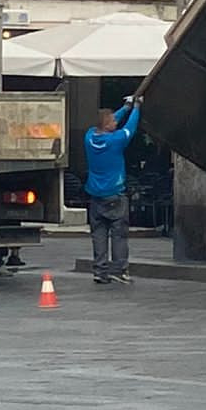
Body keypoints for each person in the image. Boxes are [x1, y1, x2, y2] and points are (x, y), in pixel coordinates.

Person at [84, 96, 140, 286]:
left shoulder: (89, 136)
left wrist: (124, 107)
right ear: (107, 126)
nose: (116, 122)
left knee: (98, 234)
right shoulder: (115, 141)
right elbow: (130, 129)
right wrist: (136, 108)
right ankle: (119, 270)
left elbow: (108, 120)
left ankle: (100, 271)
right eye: (113, 121)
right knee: (119, 234)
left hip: (95, 196)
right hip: (115, 193)